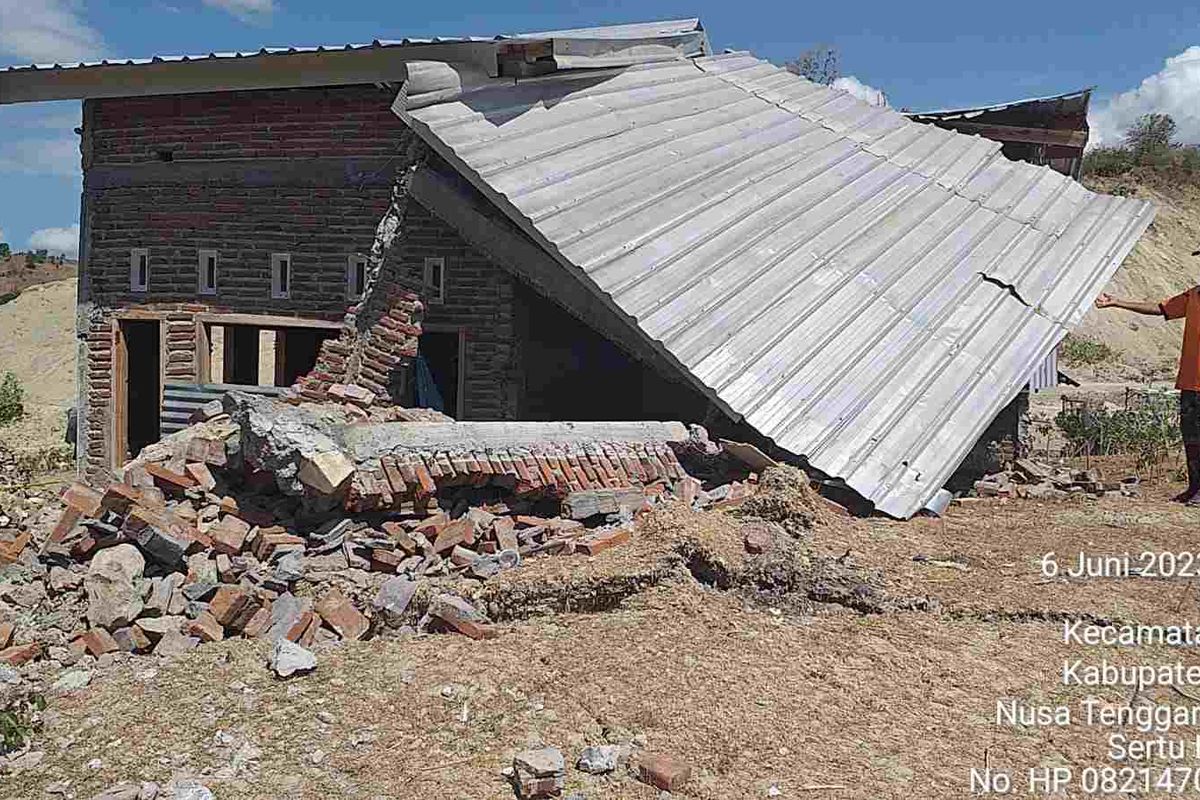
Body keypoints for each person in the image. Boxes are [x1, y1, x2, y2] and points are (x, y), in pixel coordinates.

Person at [1095, 284, 1200, 503]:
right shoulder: (1194, 294)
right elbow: (1162, 308)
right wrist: (1117, 302)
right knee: (1192, 439)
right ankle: (1195, 488)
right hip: (1191, 383)